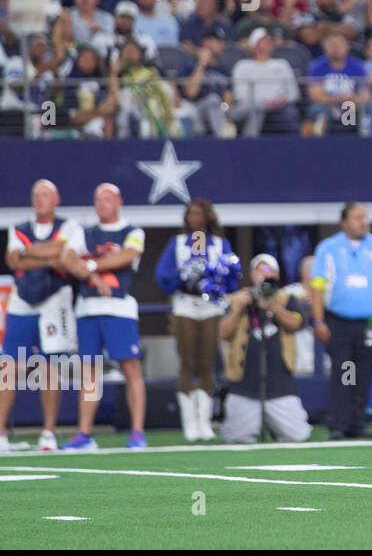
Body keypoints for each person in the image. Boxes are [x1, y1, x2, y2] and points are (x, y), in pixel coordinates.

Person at [59, 184, 148, 450]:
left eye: (107, 198)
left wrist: (91, 264)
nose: (102, 203)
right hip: (87, 308)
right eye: (97, 199)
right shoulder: (83, 232)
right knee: (89, 372)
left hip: (119, 309)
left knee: (130, 368)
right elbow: (67, 258)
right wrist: (93, 277)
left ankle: (137, 431)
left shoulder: (132, 231)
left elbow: (127, 256)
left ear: (119, 201)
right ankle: (84, 433)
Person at [0, 180, 84, 453]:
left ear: (56, 198)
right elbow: (13, 260)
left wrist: (30, 252)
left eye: (45, 195)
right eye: (36, 195)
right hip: (22, 300)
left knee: (50, 367)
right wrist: (49, 255)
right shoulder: (18, 228)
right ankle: (1, 433)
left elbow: (65, 256)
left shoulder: (70, 226)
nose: (40, 199)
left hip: (54, 300)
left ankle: (48, 432)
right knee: (7, 366)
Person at [308, 202, 372, 440]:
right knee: (344, 372)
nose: (363, 221)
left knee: (365, 373)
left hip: (371, 323)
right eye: (357, 217)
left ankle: (357, 423)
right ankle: (339, 423)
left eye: (365, 217)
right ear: (344, 222)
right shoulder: (328, 248)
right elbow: (317, 286)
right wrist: (318, 320)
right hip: (339, 322)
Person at [154, 198, 235, 442]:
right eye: (191, 214)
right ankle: (189, 421)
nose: (195, 219)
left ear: (208, 217)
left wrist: (214, 276)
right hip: (185, 303)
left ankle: (204, 420)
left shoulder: (220, 244)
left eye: (199, 214)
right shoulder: (178, 243)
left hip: (210, 303)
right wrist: (183, 275)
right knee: (188, 359)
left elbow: (232, 275)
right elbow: (163, 275)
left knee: (209, 360)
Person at [218, 254, 313, 443]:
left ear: (276, 276)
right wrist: (237, 309)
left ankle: (271, 423)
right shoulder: (240, 299)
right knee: (237, 438)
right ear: (252, 275)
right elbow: (222, 333)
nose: (263, 275)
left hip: (280, 384)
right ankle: (259, 422)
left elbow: (296, 323)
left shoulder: (286, 298)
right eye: (259, 270)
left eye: (268, 271)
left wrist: (274, 307)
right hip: (244, 383)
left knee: (298, 435)